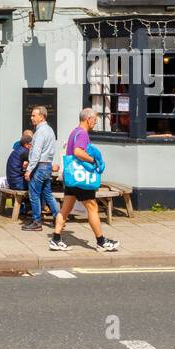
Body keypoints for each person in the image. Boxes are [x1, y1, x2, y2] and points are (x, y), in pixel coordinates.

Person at [48, 108, 119, 252]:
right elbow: (77, 152)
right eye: (95, 120)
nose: (95, 123)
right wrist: (93, 160)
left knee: (65, 209)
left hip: (71, 178)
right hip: (81, 178)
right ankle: (101, 242)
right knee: (92, 207)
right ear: (88, 119)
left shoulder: (74, 132)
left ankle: (55, 239)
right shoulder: (82, 133)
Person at [22, 105, 59, 232]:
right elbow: (51, 151)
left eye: (34, 115)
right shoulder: (50, 130)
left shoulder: (40, 132)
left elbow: (36, 153)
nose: (31, 117)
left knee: (34, 195)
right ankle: (58, 218)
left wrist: (29, 170)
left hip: (39, 166)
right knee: (47, 193)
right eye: (32, 115)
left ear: (42, 117)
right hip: (47, 165)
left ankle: (37, 222)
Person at [4, 130, 33, 221]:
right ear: (26, 144)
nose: (32, 146)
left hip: (12, 181)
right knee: (39, 185)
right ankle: (38, 210)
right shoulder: (25, 151)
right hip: (17, 183)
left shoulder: (18, 150)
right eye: (31, 144)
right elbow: (35, 163)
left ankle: (29, 208)